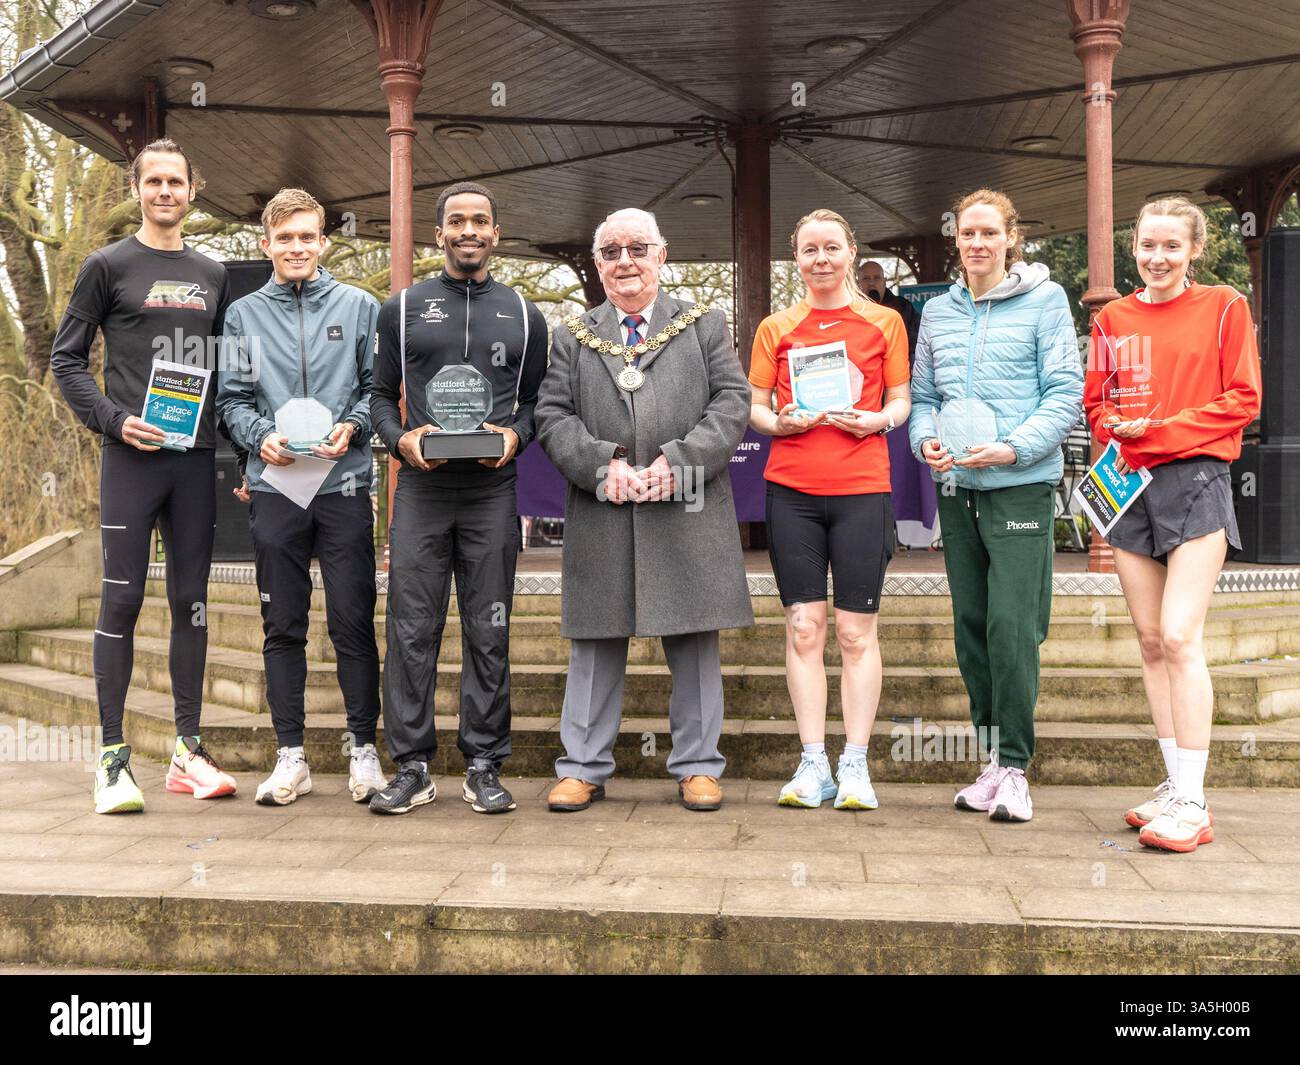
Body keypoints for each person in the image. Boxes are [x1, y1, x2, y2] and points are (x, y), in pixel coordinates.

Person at [535, 207, 752, 813]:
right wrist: (605, 467)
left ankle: (699, 766)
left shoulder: (704, 325)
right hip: (605, 504)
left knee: (694, 638)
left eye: (638, 248)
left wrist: (676, 463)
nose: (625, 261)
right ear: (598, 263)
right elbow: (552, 415)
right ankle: (581, 766)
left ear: (662, 254)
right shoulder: (572, 335)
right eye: (611, 251)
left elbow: (733, 401)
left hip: (686, 502)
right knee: (596, 639)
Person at [51, 137, 237, 814]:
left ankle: (188, 750)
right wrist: (111, 419)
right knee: (122, 600)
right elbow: (65, 360)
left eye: (176, 181)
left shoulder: (213, 274)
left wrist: (239, 454)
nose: (165, 191)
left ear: (193, 190)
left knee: (192, 600)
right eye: (152, 181)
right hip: (130, 460)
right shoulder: (107, 266)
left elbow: (226, 371)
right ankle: (110, 758)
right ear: (136, 189)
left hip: (194, 462)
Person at [1085, 197, 1261, 853]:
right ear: (1134, 247)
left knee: (1182, 635)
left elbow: (1243, 400)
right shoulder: (1112, 318)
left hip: (1196, 481)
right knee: (1152, 638)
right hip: (1128, 483)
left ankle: (1194, 799)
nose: (1157, 257)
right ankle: (1173, 780)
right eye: (1147, 245)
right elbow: (1096, 403)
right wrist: (1115, 428)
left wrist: (1159, 432)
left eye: (1170, 246)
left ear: (1193, 250)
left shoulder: (1224, 307)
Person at [368, 181, 548, 816]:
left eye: (481, 221)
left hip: (490, 493)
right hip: (421, 488)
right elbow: (375, 395)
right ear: (438, 234)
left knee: (489, 629)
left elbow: (537, 402)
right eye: (457, 222)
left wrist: (515, 434)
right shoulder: (402, 309)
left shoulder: (526, 314)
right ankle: (412, 766)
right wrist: (400, 439)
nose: (469, 230)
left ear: (496, 234)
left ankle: (483, 763)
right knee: (411, 628)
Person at [909, 188, 1081, 823]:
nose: (975, 243)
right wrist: (924, 438)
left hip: (1018, 486)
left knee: (1014, 628)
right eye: (965, 233)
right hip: (956, 489)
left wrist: (1011, 450)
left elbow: (1066, 393)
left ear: (1011, 237)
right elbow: (923, 392)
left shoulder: (1046, 300)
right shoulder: (938, 313)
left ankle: (1015, 768)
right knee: (973, 629)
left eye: (988, 232)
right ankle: (991, 761)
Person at [216, 187, 385, 807]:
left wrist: (355, 426)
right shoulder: (242, 315)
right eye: (284, 238)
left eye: (307, 237)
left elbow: (378, 389)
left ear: (323, 242)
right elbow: (231, 400)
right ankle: (292, 758)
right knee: (282, 625)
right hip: (276, 488)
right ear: (266, 246)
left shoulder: (362, 307)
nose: (296, 247)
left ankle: (363, 753)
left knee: (352, 622)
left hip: (343, 484)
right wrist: (259, 438)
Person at [749, 210, 911, 810]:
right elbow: (756, 406)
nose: (821, 259)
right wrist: (779, 421)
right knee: (803, 627)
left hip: (862, 489)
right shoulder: (777, 327)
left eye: (832, 248)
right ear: (796, 258)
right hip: (791, 489)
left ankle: (856, 765)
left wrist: (878, 420)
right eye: (809, 250)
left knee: (853, 630)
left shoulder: (883, 322)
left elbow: (900, 400)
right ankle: (813, 763)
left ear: (850, 253)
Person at [858, 259, 919, 358]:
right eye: (866, 279)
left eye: (877, 278)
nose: (871, 283)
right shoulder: (852, 309)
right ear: (858, 283)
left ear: (884, 282)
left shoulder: (903, 307)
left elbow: (915, 341)